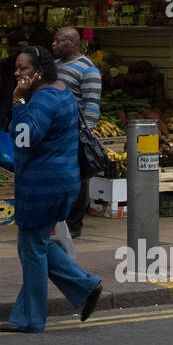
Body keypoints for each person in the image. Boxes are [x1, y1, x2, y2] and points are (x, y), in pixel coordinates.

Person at [0, 45, 102, 333]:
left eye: (23, 69)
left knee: (31, 248)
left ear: (39, 71)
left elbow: (24, 138)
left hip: (44, 185)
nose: (17, 74)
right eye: (16, 69)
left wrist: (17, 102)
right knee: (37, 243)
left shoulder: (44, 99)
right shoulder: (61, 90)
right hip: (60, 181)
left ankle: (31, 318)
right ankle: (85, 286)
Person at [52, 26, 102, 238]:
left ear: (72, 43)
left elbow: (92, 104)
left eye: (58, 41)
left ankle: (74, 224)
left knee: (77, 178)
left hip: (75, 132)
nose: (53, 44)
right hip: (56, 131)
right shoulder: (54, 67)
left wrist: (86, 134)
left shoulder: (88, 70)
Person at [0, 30, 26, 134]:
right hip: (18, 106)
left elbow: (7, 93)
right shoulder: (28, 63)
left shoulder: (9, 63)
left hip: (11, 105)